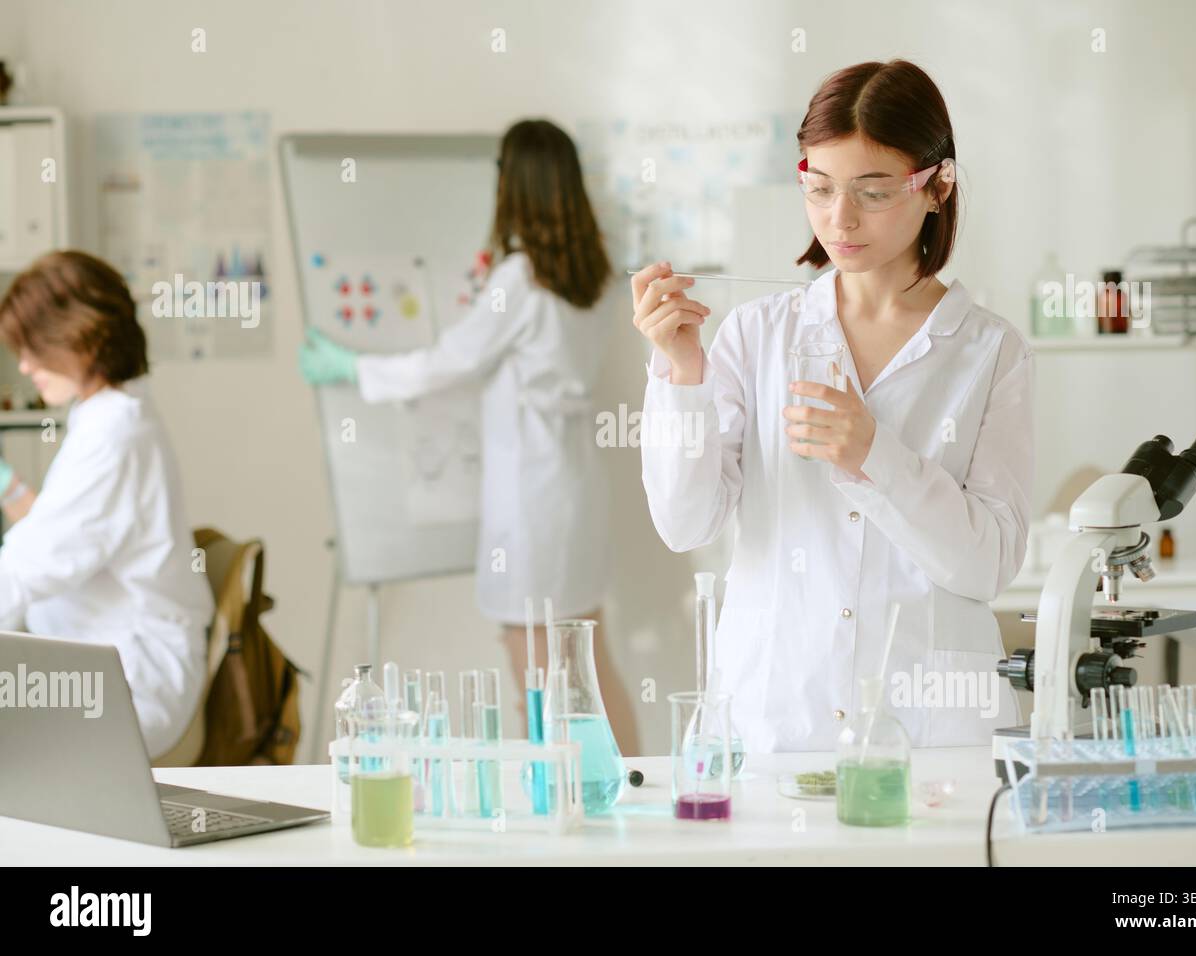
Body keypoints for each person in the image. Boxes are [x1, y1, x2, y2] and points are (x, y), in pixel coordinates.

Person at [633, 60, 1034, 751]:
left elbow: (986, 565)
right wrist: (682, 375)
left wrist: (872, 454)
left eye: (871, 192)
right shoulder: (757, 335)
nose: (838, 220)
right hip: (776, 717)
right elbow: (684, 524)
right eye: (818, 189)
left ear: (937, 186)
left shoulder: (989, 350)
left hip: (931, 733)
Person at [299, 119, 640, 755]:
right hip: (574, 492)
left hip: (534, 500)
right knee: (589, 666)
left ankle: (559, 805)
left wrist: (353, 367)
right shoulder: (596, 270)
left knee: (534, 676)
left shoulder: (522, 278)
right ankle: (637, 791)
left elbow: (448, 362)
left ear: (515, 185)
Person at [0, 250, 215, 759]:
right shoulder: (110, 411)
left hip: (133, 678)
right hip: (97, 651)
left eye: (34, 349)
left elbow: (26, 571)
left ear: (83, 335)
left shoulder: (115, 436)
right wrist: (7, 485)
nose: (25, 365)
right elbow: (61, 530)